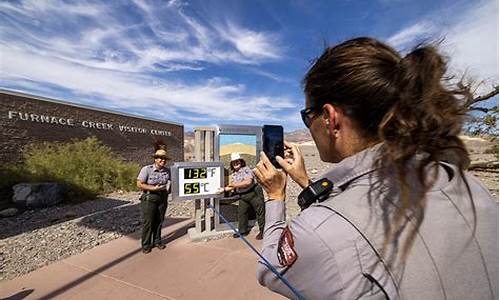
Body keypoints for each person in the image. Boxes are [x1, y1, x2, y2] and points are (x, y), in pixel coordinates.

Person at [253, 37, 498, 299]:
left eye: (307, 116)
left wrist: (275, 196)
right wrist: (306, 183)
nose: (308, 127)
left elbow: (270, 268)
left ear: (330, 118)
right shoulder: (468, 185)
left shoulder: (320, 233)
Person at [222, 152, 265, 240]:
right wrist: (223, 189)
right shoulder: (234, 174)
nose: (236, 163)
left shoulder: (246, 169)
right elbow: (232, 186)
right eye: (233, 162)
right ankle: (242, 231)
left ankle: (263, 231)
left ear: (241, 162)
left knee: (260, 212)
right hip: (243, 195)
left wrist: (233, 186)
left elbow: (248, 182)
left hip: (253, 193)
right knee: (242, 212)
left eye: (237, 161)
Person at [136, 147, 171, 254]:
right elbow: (139, 184)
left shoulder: (167, 171)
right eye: (160, 158)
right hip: (149, 198)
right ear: (155, 159)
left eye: (164, 158)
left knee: (159, 221)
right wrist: (153, 188)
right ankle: (146, 245)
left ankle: (157, 241)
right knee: (148, 222)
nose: (163, 160)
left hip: (162, 197)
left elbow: (170, 182)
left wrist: (168, 189)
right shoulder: (146, 169)